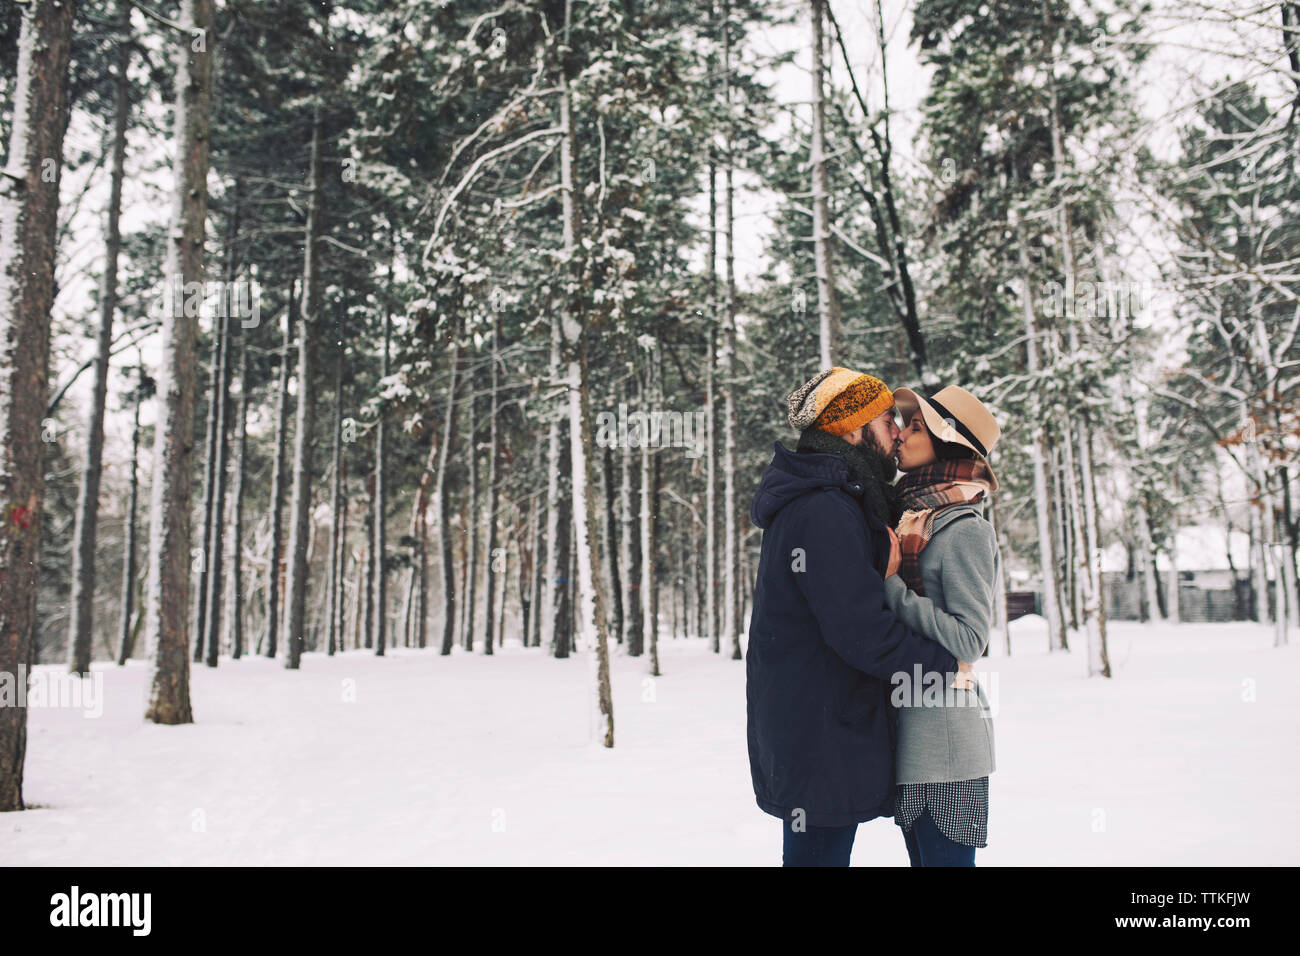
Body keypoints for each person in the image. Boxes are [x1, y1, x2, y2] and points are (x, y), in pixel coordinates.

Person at [746, 367, 972, 867]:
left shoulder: (835, 498)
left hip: (819, 721)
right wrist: (943, 666)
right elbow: (858, 628)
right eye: (888, 420)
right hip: (819, 731)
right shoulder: (824, 508)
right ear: (852, 429)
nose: (897, 432)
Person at [882, 385, 1001, 867]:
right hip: (911, 737)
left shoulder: (965, 529)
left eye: (915, 428)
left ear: (947, 443)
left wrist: (891, 585)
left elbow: (970, 640)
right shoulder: (913, 516)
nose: (900, 435)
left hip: (947, 748)